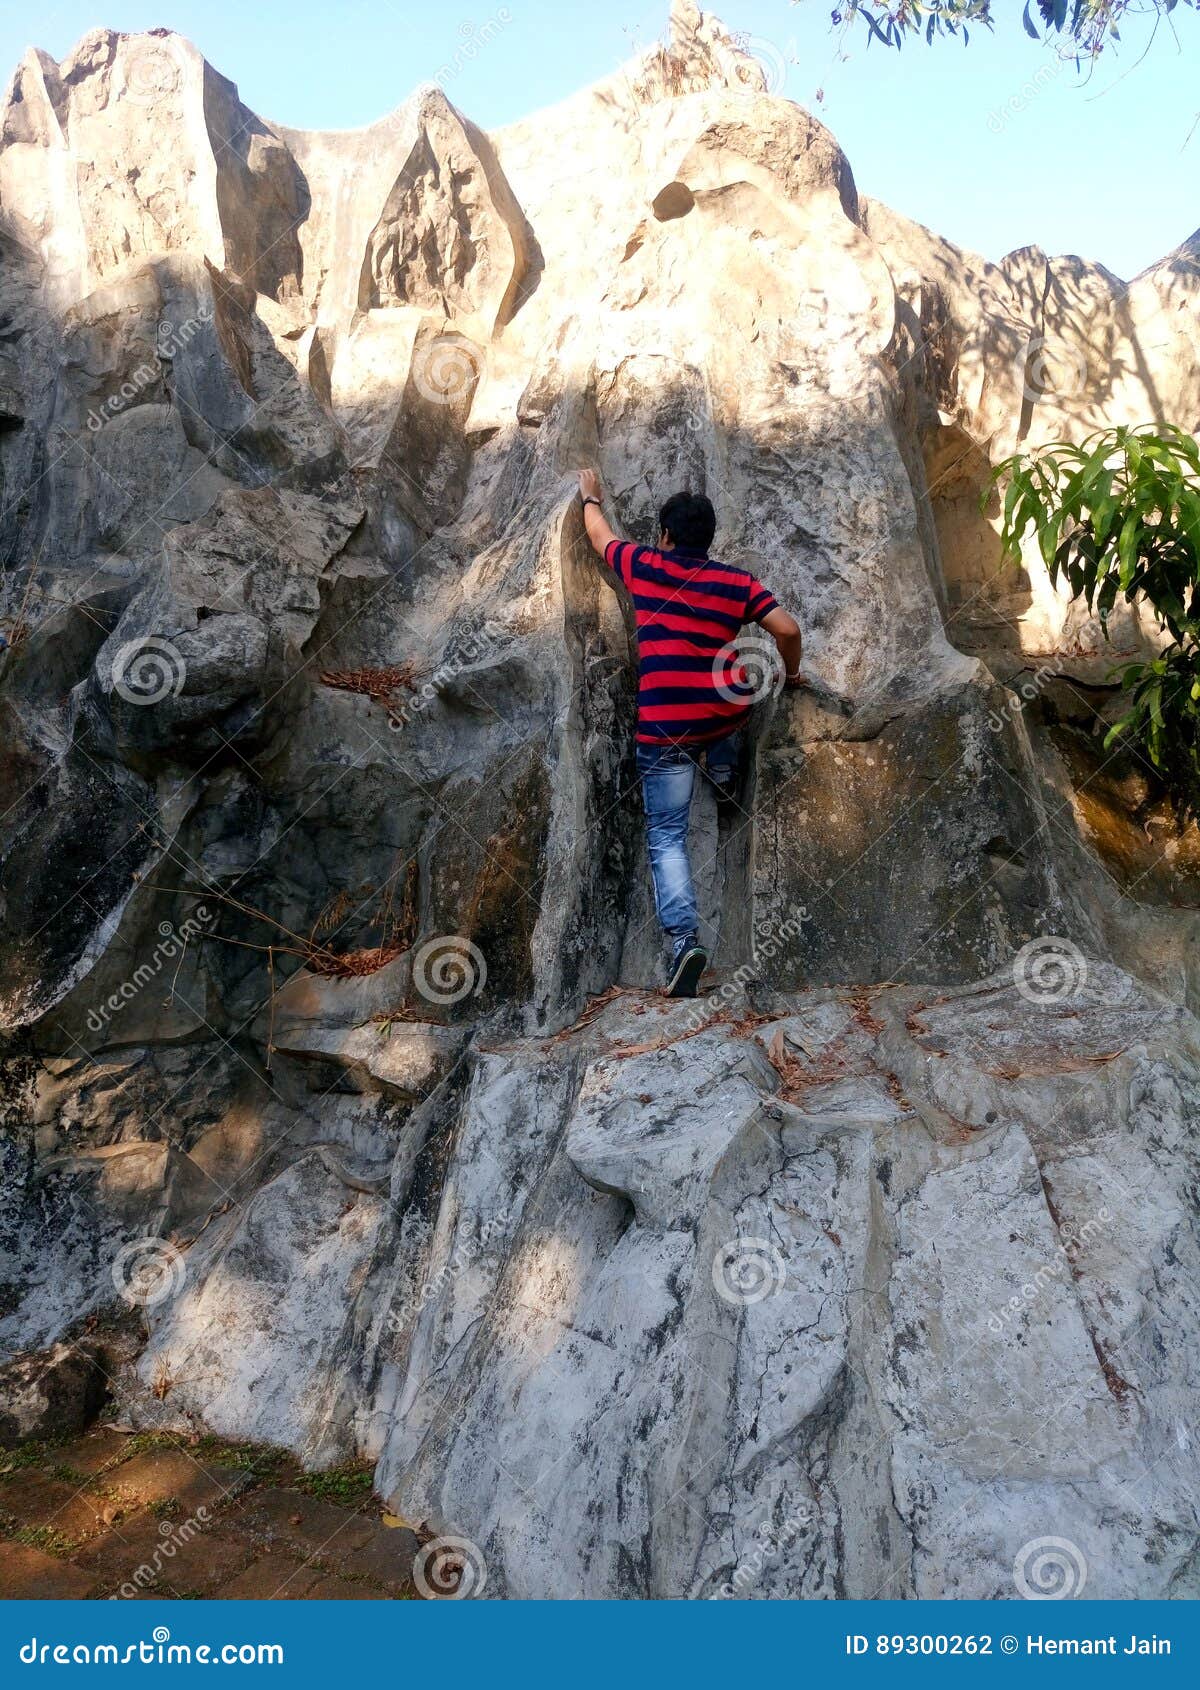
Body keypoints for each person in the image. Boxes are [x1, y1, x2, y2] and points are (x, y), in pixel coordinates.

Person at [578, 468, 804, 997]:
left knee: (667, 836)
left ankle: (684, 943)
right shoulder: (735, 583)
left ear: (665, 537)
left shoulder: (645, 566)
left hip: (667, 731)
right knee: (739, 681)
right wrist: (792, 675)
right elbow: (787, 630)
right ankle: (723, 765)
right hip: (720, 714)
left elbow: (600, 537)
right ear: (709, 540)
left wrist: (591, 496)